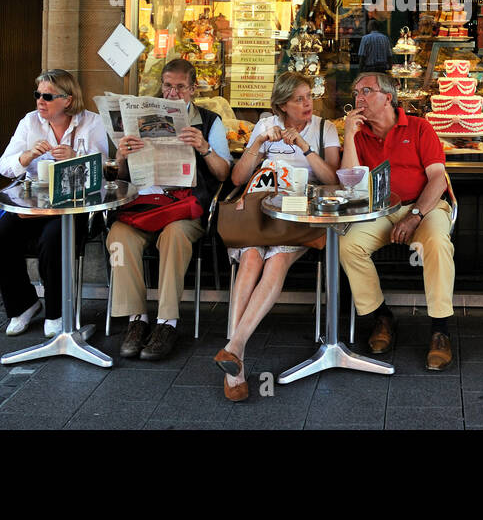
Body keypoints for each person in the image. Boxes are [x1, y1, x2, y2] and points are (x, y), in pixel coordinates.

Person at [216, 72, 341, 401]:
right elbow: (237, 178)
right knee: (251, 259)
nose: (307, 103)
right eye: (299, 99)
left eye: (309, 96)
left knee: (277, 261)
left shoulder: (325, 129)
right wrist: (259, 144)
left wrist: (305, 148)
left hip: (299, 217)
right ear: (282, 105)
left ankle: (234, 349)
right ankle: (235, 360)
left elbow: (333, 181)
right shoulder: (265, 125)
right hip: (260, 214)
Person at [107, 59, 231, 363]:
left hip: (184, 209)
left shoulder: (209, 121)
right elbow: (119, 177)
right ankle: (137, 319)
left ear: (193, 88)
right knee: (118, 237)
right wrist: (121, 156)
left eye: (180, 87)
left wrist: (204, 148)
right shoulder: (141, 117)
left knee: (174, 237)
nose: (173, 93)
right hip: (144, 205)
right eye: (167, 86)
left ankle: (167, 322)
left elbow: (223, 174)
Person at [340, 71, 455, 371]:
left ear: (387, 97)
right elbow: (350, 184)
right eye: (356, 92)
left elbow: (437, 179)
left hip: (425, 207)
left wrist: (415, 216)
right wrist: (349, 136)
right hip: (380, 211)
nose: (359, 98)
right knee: (347, 244)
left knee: (437, 243)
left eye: (366, 91)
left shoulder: (419, 127)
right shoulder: (360, 135)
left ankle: (440, 329)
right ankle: (382, 316)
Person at [0, 70, 108, 337]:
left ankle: (56, 313)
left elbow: (102, 170)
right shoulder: (30, 122)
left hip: (76, 206)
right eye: (38, 94)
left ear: (68, 99)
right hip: (35, 205)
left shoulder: (92, 122)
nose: (40, 101)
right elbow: (4, 166)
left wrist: (75, 156)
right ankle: (24, 305)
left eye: (48, 96)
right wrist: (27, 155)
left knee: (54, 238)